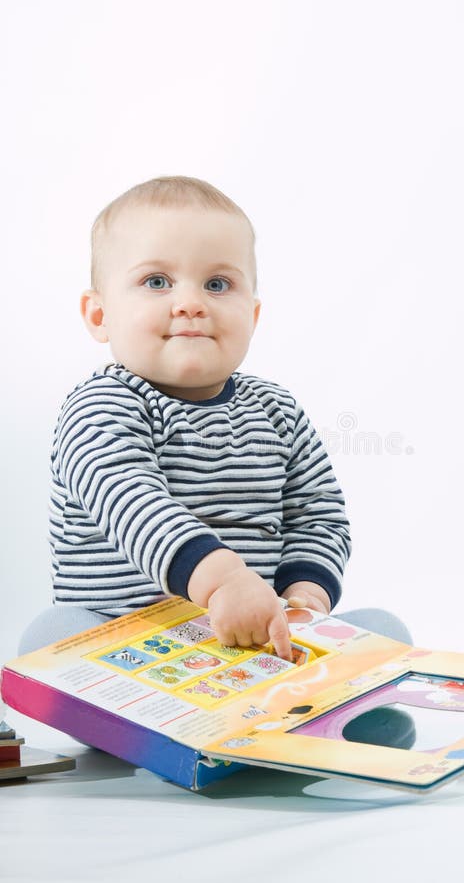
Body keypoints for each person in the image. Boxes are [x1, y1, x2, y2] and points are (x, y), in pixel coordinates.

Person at [19, 175, 415, 749]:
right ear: (99, 315)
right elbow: (130, 498)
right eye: (156, 281)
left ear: (253, 314)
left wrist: (306, 593)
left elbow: (318, 513)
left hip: (255, 647)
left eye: (218, 283)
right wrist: (223, 581)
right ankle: (160, 731)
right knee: (49, 638)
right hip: (130, 651)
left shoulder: (276, 411)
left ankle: (318, 718)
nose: (190, 303)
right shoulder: (101, 405)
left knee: (387, 633)